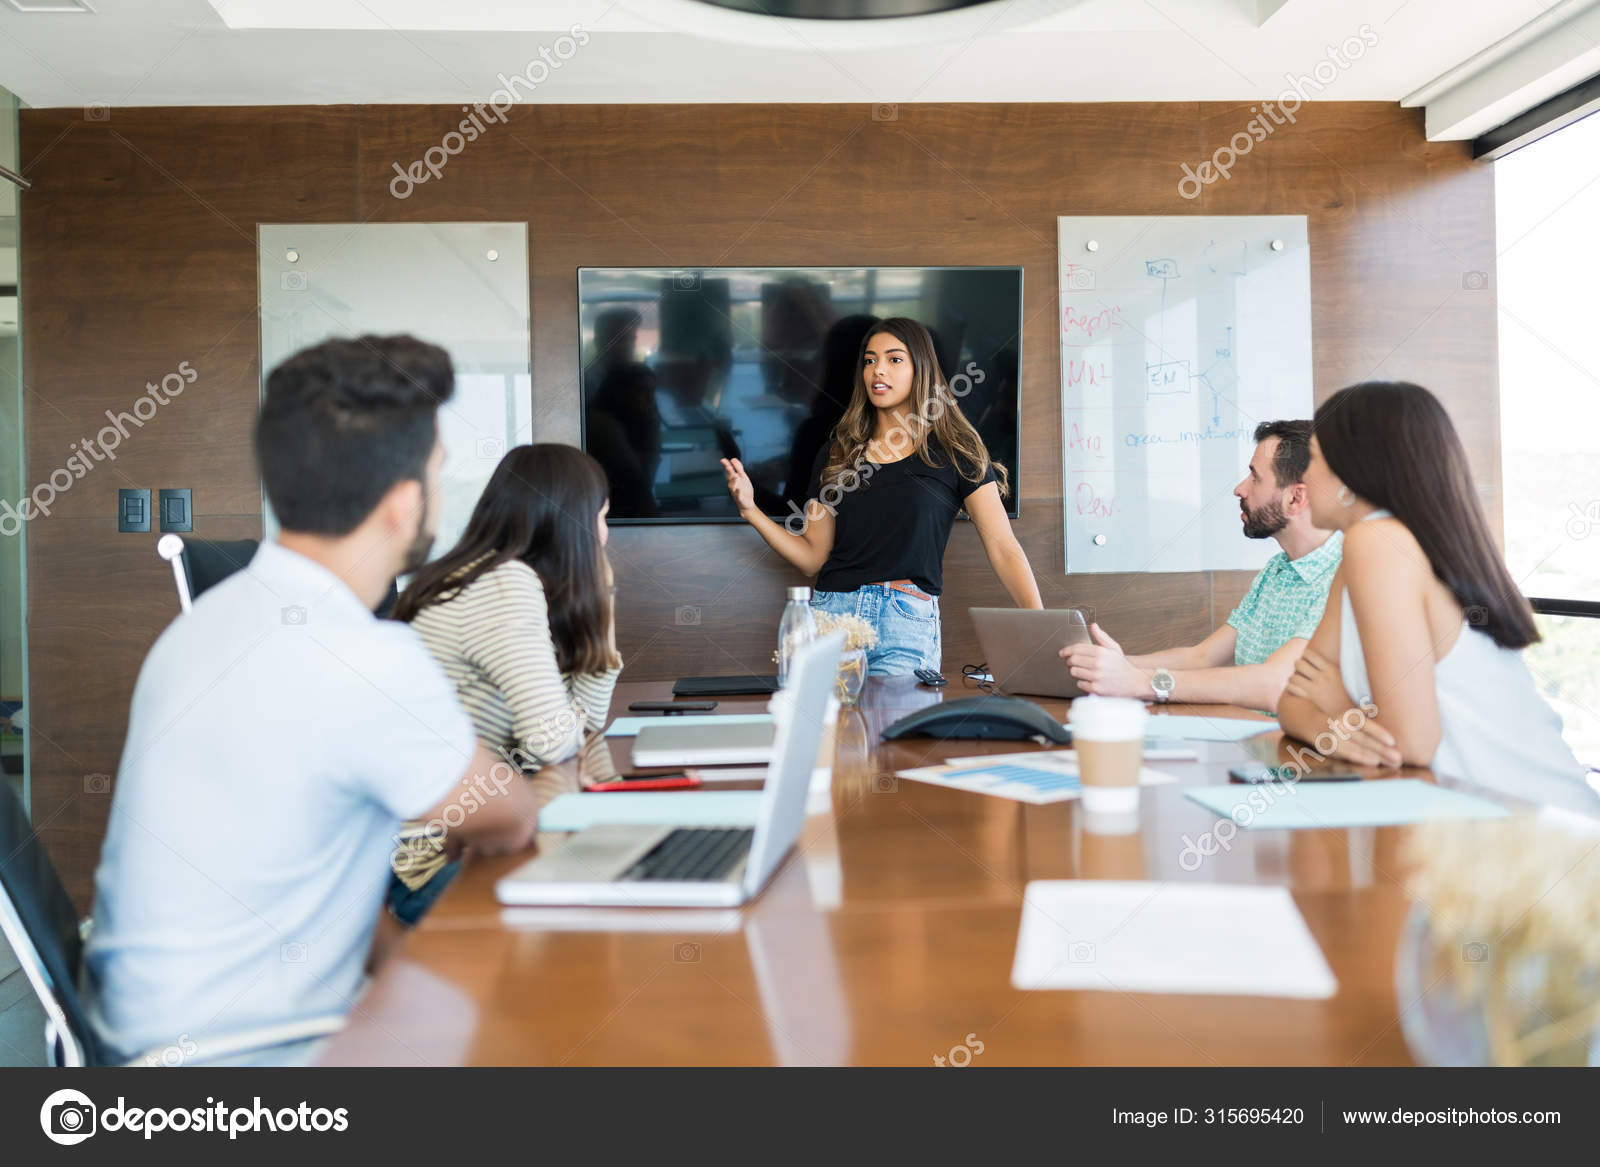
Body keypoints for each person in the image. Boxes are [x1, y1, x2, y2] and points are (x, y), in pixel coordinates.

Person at [83, 336, 541, 1065]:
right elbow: (511, 819)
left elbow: (321, 888)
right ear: (403, 503)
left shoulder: (199, 626)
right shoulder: (361, 655)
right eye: (437, 473)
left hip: (144, 1048)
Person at [1278, 382, 1596, 812]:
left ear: (1350, 470)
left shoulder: (1377, 541)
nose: (1303, 475)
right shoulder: (1361, 549)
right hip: (1469, 830)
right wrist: (1331, 722)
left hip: (1543, 839)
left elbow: (1410, 744)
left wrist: (1337, 705)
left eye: (1313, 458)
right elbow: (1292, 702)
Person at [721, 316, 1042, 676]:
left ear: (920, 369)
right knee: (830, 731)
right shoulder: (835, 453)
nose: (878, 371)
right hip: (832, 618)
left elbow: (1004, 547)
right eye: (870, 360)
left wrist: (1041, 628)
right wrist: (751, 511)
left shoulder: (957, 452)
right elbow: (812, 557)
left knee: (896, 730)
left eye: (894, 359)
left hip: (905, 620)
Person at [388, 443, 623, 919]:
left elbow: (585, 723)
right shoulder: (501, 585)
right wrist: (603, 594)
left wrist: (603, 603)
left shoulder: (495, 576)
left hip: (458, 845)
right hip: (422, 869)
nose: (604, 535)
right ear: (573, 522)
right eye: (601, 516)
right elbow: (555, 741)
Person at [1062, 420, 1342, 710]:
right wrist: (1113, 665)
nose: (1240, 489)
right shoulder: (1277, 570)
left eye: (1255, 477)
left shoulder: (1344, 577)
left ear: (1296, 498)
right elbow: (1203, 657)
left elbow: (1275, 683)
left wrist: (1143, 682)